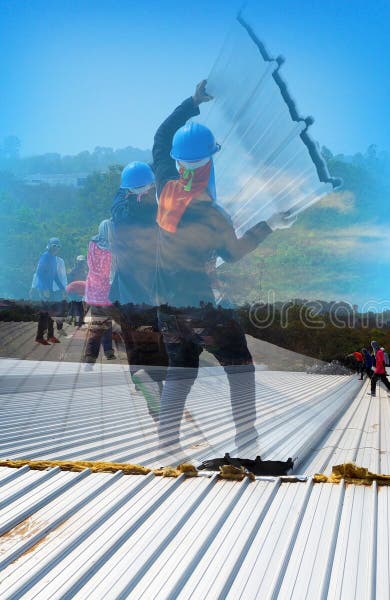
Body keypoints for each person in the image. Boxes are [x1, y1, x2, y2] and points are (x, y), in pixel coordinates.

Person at [153, 81, 294, 452]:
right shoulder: (213, 216)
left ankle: (167, 445)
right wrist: (270, 225)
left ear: (177, 160)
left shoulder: (164, 187)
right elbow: (232, 253)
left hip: (166, 307)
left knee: (179, 374)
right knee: (240, 368)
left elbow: (162, 135)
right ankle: (247, 443)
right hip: (200, 306)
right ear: (210, 161)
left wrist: (191, 102)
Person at [110, 160, 169, 419]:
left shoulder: (118, 211)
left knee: (135, 348)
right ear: (149, 190)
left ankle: (142, 381)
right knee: (156, 351)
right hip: (148, 297)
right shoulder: (154, 214)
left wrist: (144, 173)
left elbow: (122, 191)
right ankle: (156, 399)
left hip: (123, 296)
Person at [83, 220, 116, 365]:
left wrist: (95, 275)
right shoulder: (113, 247)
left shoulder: (92, 243)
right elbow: (112, 269)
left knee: (99, 322)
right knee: (106, 321)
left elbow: (90, 263)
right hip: (108, 290)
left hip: (94, 289)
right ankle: (107, 351)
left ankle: (92, 354)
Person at [32, 238, 66, 345]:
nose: (56, 248)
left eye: (58, 246)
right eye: (54, 246)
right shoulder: (45, 257)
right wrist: (45, 289)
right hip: (43, 289)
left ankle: (50, 336)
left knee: (51, 313)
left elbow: (55, 275)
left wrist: (62, 288)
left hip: (50, 289)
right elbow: (39, 274)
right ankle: (39, 337)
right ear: (49, 246)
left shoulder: (53, 258)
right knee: (44, 314)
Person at [67, 255, 88, 327]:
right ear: (78, 262)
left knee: (75, 306)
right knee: (77, 307)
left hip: (79, 291)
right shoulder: (73, 271)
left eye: (83, 262)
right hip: (73, 291)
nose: (82, 263)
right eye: (81, 262)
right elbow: (69, 282)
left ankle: (72, 320)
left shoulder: (83, 271)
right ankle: (78, 322)